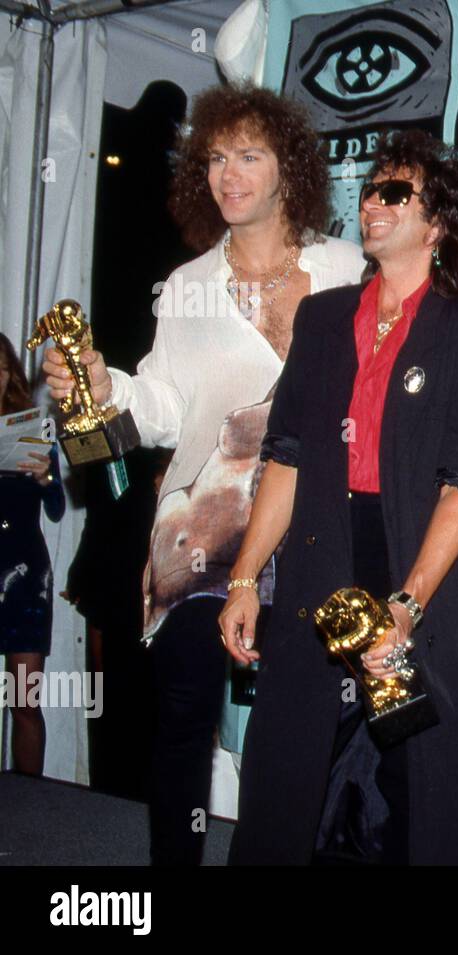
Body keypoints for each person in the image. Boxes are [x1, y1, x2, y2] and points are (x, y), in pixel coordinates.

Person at [42, 84, 365, 865]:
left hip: (313, 521)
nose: (229, 174)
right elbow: (161, 407)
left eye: (249, 155)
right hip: (201, 526)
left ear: (289, 167)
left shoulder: (347, 268)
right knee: (184, 717)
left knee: (311, 720)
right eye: (216, 158)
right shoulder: (186, 285)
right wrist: (99, 381)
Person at [220, 130, 458, 865]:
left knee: (418, 795)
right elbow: (286, 456)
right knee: (297, 784)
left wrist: (409, 603)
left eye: (396, 192)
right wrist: (242, 577)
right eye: (370, 190)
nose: (374, 204)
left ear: (438, 222)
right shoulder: (322, 321)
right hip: (320, 563)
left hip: (422, 568)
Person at [0, 334, 65, 777]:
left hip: (24, 573)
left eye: (2, 367)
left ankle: (32, 800)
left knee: (24, 701)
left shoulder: (31, 424)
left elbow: (58, 507)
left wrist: (45, 477)